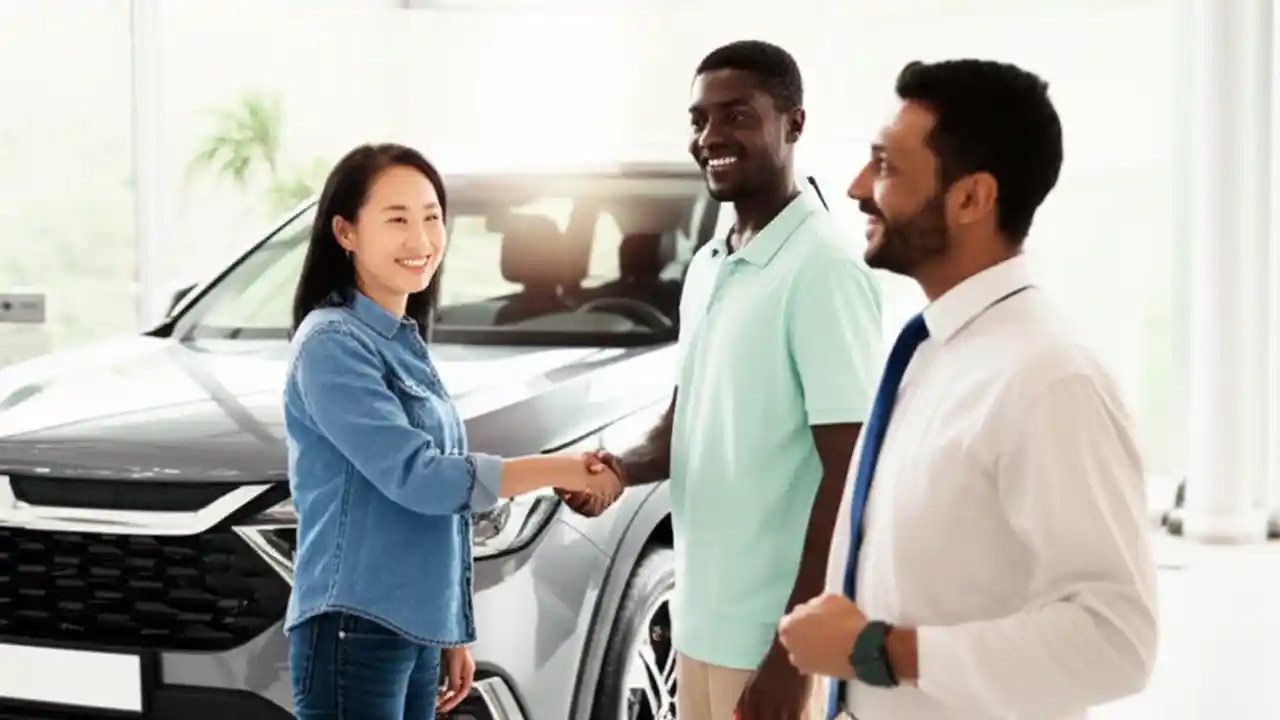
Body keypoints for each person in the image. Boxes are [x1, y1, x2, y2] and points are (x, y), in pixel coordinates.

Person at [777, 60, 1158, 720]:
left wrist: (879, 651)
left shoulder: (1049, 378)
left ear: (971, 199)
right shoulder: (933, 349)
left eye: (886, 166)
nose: (858, 187)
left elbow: (1117, 640)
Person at [564, 41, 882, 720]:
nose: (710, 138)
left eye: (736, 116)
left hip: (771, 639)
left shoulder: (822, 269)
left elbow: (850, 473)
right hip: (699, 624)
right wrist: (617, 470)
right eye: (699, 120)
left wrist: (792, 655)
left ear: (793, 124)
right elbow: (689, 419)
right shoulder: (711, 262)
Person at [282, 143, 622, 720]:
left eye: (432, 217)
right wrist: (562, 468)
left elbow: (442, 513)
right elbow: (422, 480)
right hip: (355, 625)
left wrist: (451, 630)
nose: (420, 240)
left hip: (411, 627)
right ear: (345, 232)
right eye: (396, 220)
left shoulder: (399, 339)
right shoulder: (332, 345)